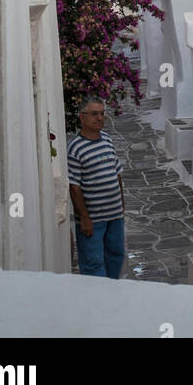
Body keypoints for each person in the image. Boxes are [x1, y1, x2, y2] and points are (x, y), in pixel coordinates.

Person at [67, 97, 126, 278]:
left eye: (102, 114)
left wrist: (121, 204)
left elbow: (117, 173)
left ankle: (111, 294)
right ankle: (97, 301)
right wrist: (84, 217)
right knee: (93, 263)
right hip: (93, 219)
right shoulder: (75, 148)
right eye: (94, 114)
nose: (99, 118)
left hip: (114, 215)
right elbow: (74, 186)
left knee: (116, 256)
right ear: (82, 117)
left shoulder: (107, 140)